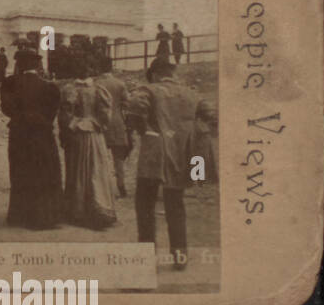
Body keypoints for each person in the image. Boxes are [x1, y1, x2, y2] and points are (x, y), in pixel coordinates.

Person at [125, 56, 217, 266]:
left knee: (145, 205)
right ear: (173, 73)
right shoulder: (192, 93)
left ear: (156, 74)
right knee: (175, 204)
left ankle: (146, 260)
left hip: (154, 155)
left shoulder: (148, 90)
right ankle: (180, 256)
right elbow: (211, 116)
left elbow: (134, 112)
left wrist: (145, 132)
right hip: (181, 156)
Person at [0, 50, 63, 230]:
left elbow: (6, 108)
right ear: (37, 65)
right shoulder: (50, 86)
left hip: (19, 133)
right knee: (44, 171)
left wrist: (21, 117)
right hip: (42, 133)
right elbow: (52, 112)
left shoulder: (10, 83)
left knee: (20, 170)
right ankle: (44, 216)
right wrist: (40, 120)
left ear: (19, 64)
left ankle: (20, 215)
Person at [58, 76, 117, 229]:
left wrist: (67, 130)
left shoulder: (70, 89)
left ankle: (78, 210)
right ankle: (97, 207)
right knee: (96, 168)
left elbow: (65, 115)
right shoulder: (98, 89)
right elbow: (105, 115)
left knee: (77, 168)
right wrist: (98, 124)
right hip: (94, 134)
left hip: (76, 132)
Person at [95, 61, 132, 197]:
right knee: (119, 158)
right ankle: (121, 186)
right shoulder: (120, 84)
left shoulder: (96, 84)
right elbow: (127, 104)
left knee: (100, 158)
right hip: (117, 124)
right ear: (111, 68)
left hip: (101, 124)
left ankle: (103, 189)